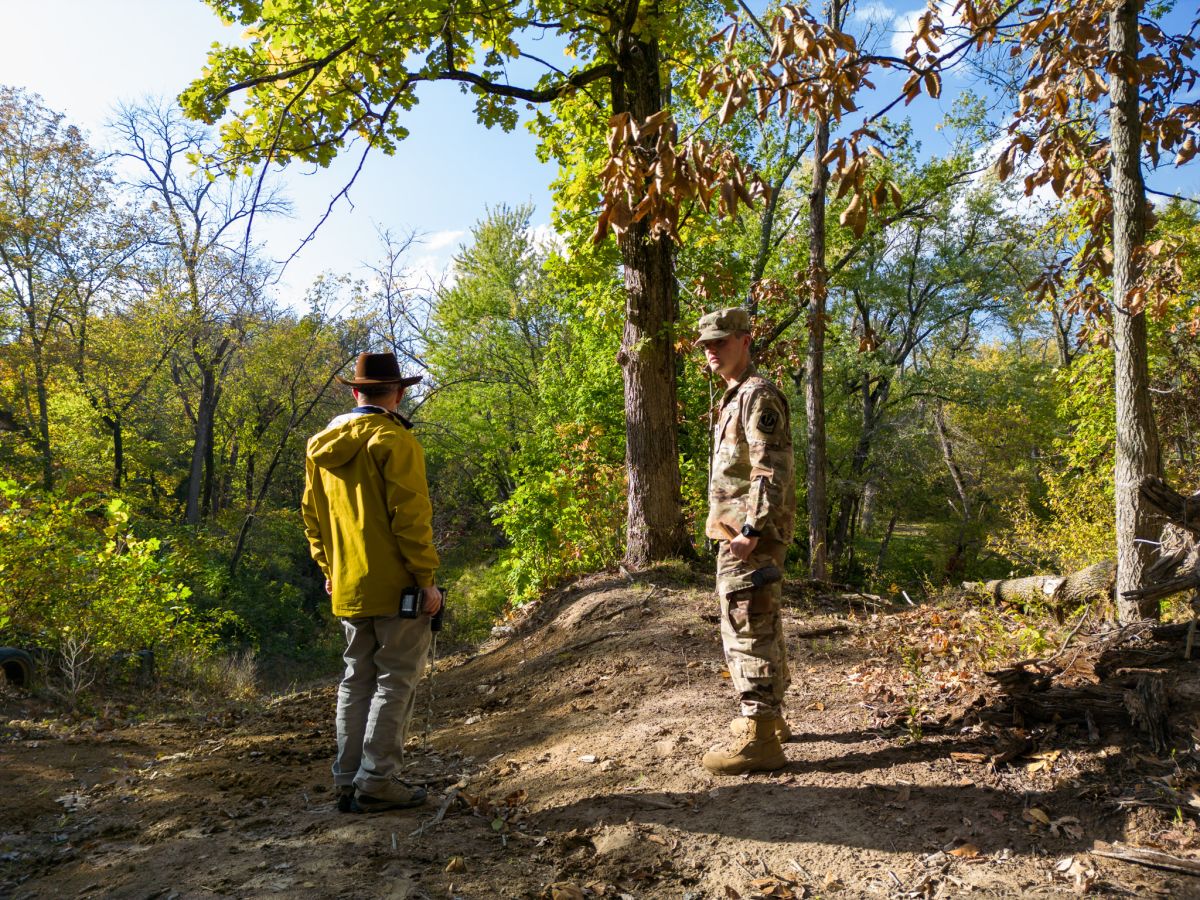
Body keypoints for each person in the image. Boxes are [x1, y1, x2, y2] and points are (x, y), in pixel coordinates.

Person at [301, 351, 443, 813]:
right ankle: (377, 781)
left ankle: (348, 780)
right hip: (398, 587)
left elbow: (312, 517)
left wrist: (329, 569)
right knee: (395, 680)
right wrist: (426, 580)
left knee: (355, 679)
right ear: (398, 393)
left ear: (356, 392)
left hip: (347, 583)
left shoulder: (320, 445)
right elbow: (411, 518)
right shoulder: (394, 440)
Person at [696, 308, 796, 776]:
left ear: (744, 340)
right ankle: (770, 721)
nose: (711, 351)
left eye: (720, 341)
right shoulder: (735, 396)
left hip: (748, 537)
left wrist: (752, 530)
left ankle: (760, 739)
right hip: (739, 533)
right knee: (760, 620)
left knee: (748, 626)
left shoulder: (758, 395)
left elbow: (770, 468)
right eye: (706, 345)